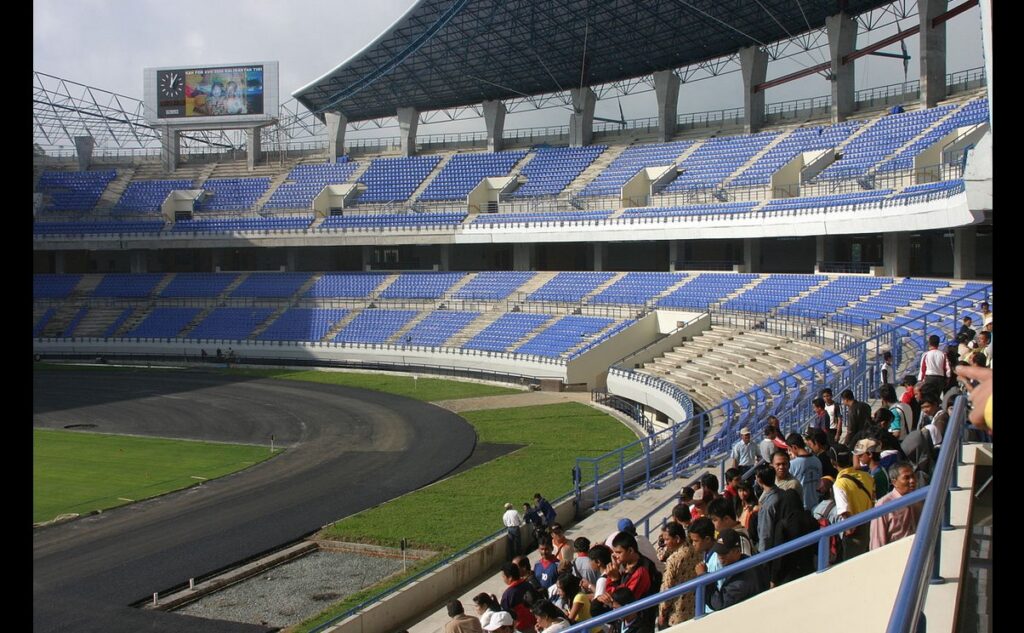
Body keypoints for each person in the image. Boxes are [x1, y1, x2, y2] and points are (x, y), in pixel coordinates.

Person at [695, 529, 768, 611]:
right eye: (718, 552)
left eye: (724, 552)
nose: (720, 556)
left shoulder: (742, 578)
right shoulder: (744, 563)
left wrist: (703, 576)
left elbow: (719, 604)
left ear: (737, 551)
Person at [766, 488, 819, 586]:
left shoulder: (783, 524)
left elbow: (779, 555)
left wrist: (773, 578)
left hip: (789, 575)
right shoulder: (812, 520)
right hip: (809, 570)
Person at [831, 445, 875, 560]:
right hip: (871, 524)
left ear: (833, 462)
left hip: (856, 532)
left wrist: (849, 532)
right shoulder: (867, 476)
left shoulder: (839, 484)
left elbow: (844, 511)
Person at [610, 531, 661, 628]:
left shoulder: (641, 571)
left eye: (619, 552)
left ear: (630, 550)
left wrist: (615, 579)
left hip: (639, 622)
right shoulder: (625, 563)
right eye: (614, 553)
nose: (616, 556)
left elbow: (624, 599)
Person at [870, 461, 924, 550]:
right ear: (894, 482)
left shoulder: (918, 499)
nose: (912, 481)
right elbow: (877, 541)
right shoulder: (883, 505)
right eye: (906, 478)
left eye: (913, 476)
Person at [656, 522, 699, 628]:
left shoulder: (673, 560)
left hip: (676, 614)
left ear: (677, 539)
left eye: (667, 539)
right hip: (694, 607)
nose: (665, 543)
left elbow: (667, 588)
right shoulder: (693, 548)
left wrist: (662, 613)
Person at [785, 433, 822, 511]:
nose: (789, 452)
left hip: (801, 506)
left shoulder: (792, 464)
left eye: (789, 449)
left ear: (794, 447)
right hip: (817, 504)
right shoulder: (817, 460)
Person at [499, 562, 537, 633]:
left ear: (510, 577)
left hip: (520, 628)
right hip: (535, 624)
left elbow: (505, 614)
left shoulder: (508, 594)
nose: (503, 579)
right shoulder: (528, 585)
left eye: (503, 576)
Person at [753, 464, 781, 553]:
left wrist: (762, 556)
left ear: (759, 479)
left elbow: (765, 534)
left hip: (771, 550)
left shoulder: (767, 505)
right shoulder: (783, 493)